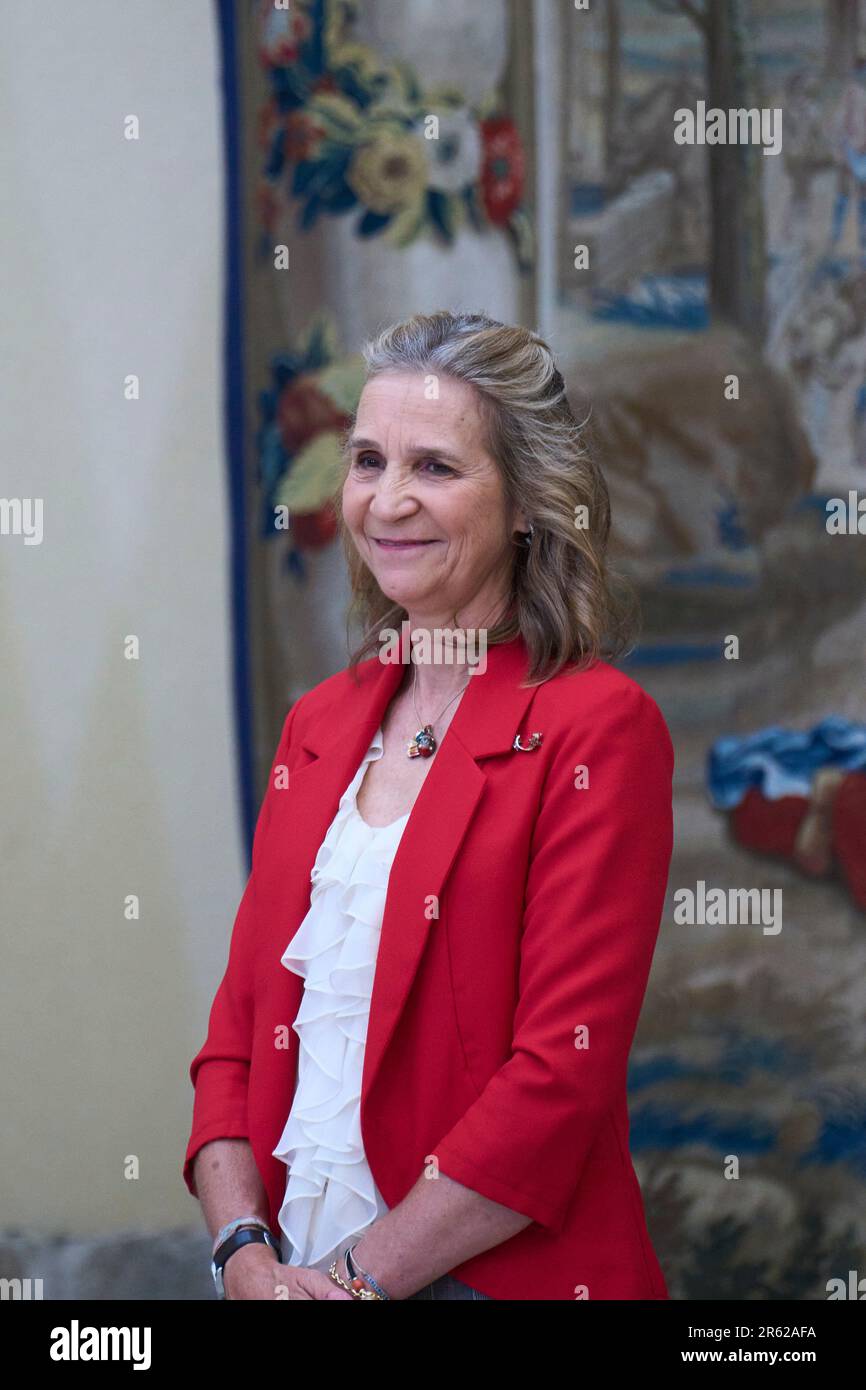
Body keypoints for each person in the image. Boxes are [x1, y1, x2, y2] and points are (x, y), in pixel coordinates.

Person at [183, 309, 674, 1300]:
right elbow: (235, 1036)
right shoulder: (316, 724)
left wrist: (352, 1281)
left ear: (528, 503)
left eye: (436, 468)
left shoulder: (595, 727)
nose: (386, 500)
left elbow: (554, 1083)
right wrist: (242, 1251)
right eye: (368, 460)